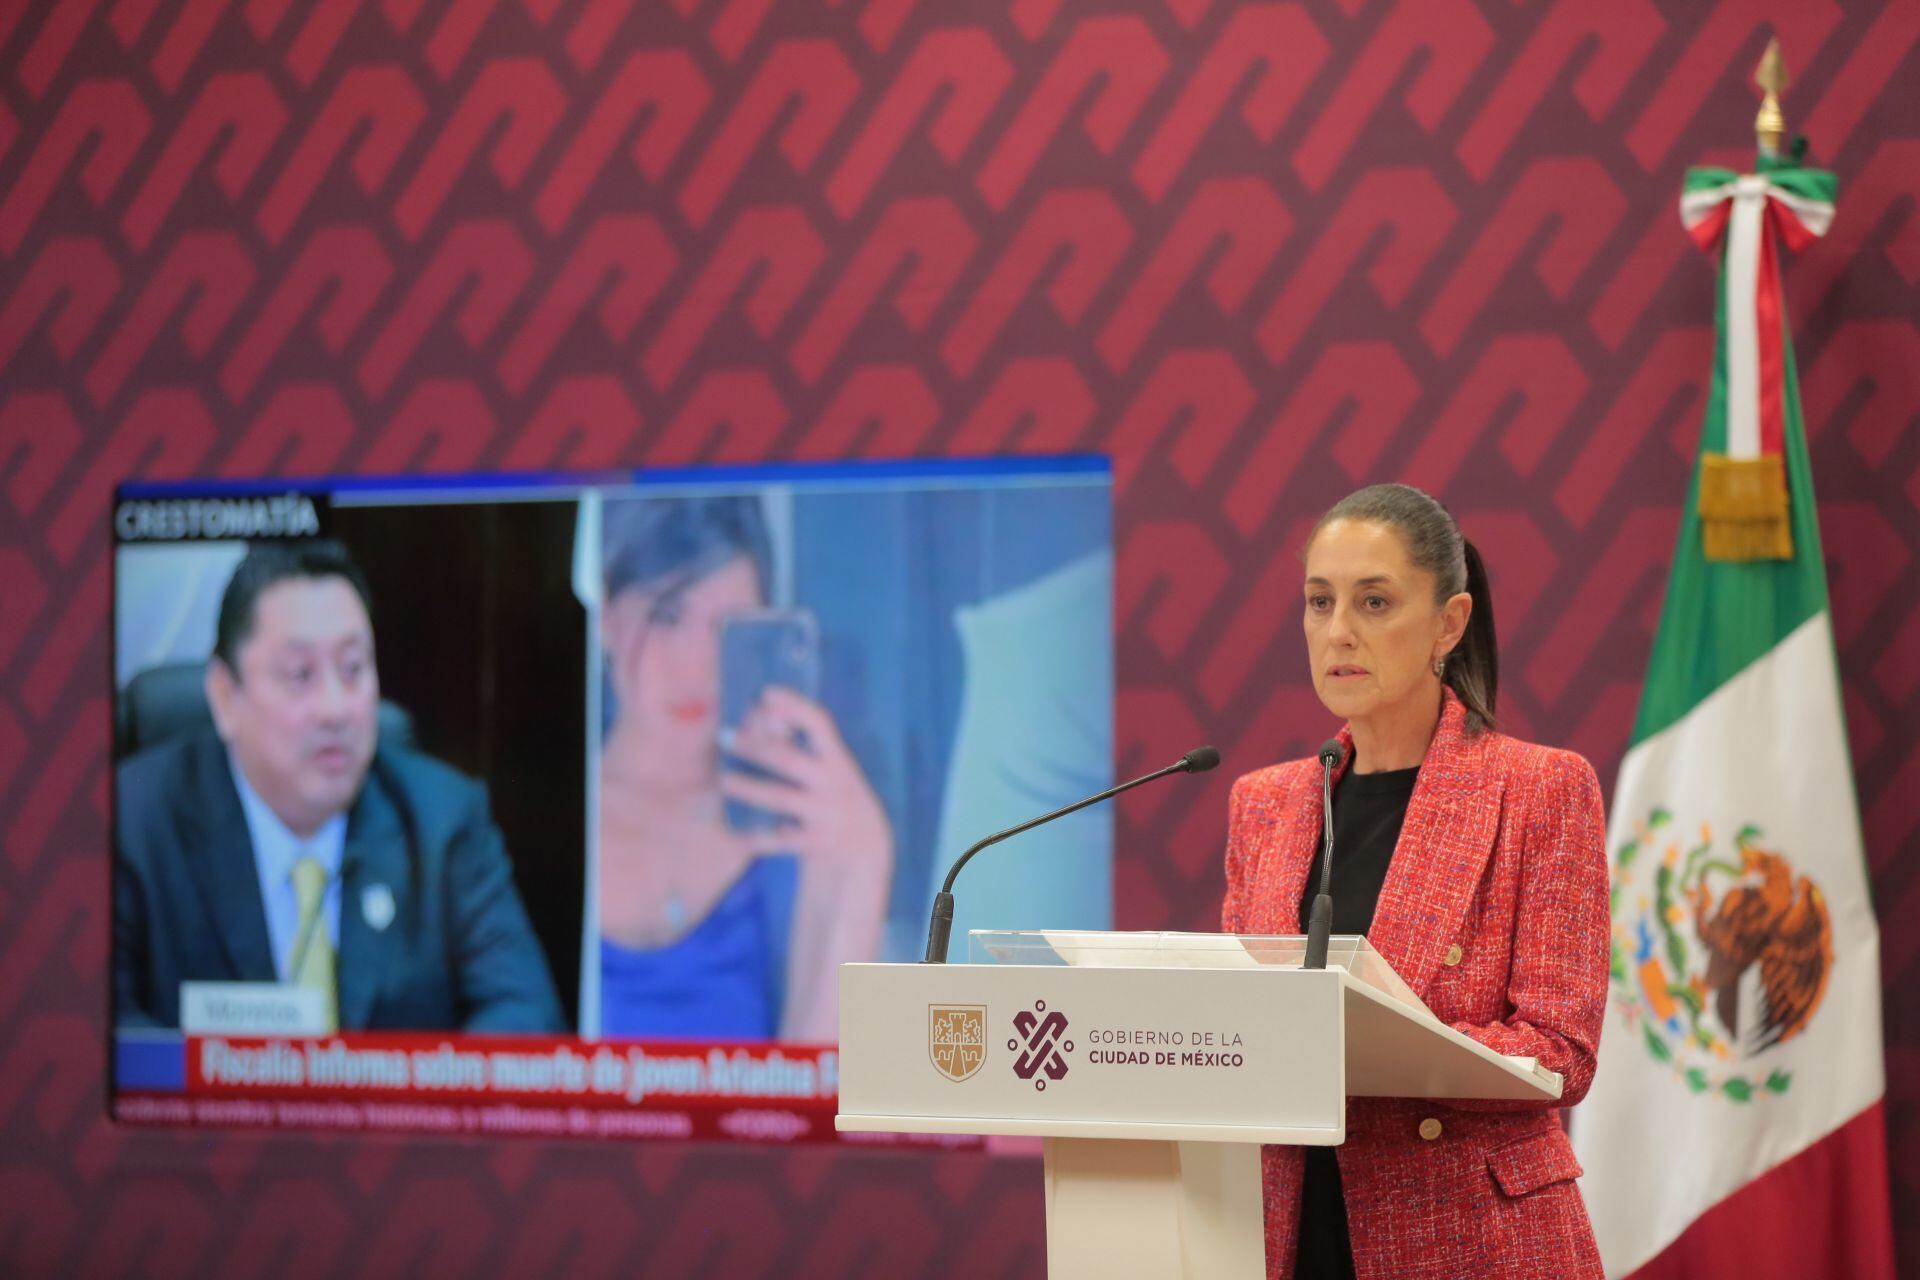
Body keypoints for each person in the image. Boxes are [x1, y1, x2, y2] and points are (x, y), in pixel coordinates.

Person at [1220, 484, 1608, 1279]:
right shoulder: (1264, 804)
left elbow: (1562, 1053)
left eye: (1374, 602)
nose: (1339, 630)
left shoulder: (1541, 789)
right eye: (1320, 601)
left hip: (1471, 1237)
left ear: (1449, 623)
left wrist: (1395, 1046)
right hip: (1291, 1229)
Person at [114, 539, 565, 1033]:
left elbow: (526, 1016)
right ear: (225, 696)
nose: (335, 709)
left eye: (353, 669)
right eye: (300, 674)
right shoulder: (132, 822)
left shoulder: (444, 823)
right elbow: (98, 1033)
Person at [596, 496, 892, 1041]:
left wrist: (860, 863)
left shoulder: (799, 826)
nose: (698, 663)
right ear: (607, 619)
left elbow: (821, 1084)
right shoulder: (543, 814)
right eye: (668, 616)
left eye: (729, 629)